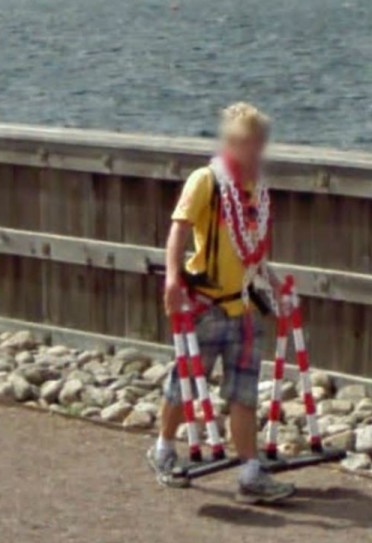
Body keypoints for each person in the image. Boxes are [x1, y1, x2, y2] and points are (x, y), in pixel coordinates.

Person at [147, 102, 296, 504]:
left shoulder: (256, 191)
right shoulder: (206, 181)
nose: (255, 151)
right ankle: (163, 447)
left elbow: (251, 250)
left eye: (260, 143)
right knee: (186, 382)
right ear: (233, 143)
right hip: (205, 303)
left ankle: (249, 471)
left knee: (244, 390)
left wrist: (274, 283)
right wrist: (174, 278)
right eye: (248, 143)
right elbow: (178, 230)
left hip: (244, 303)